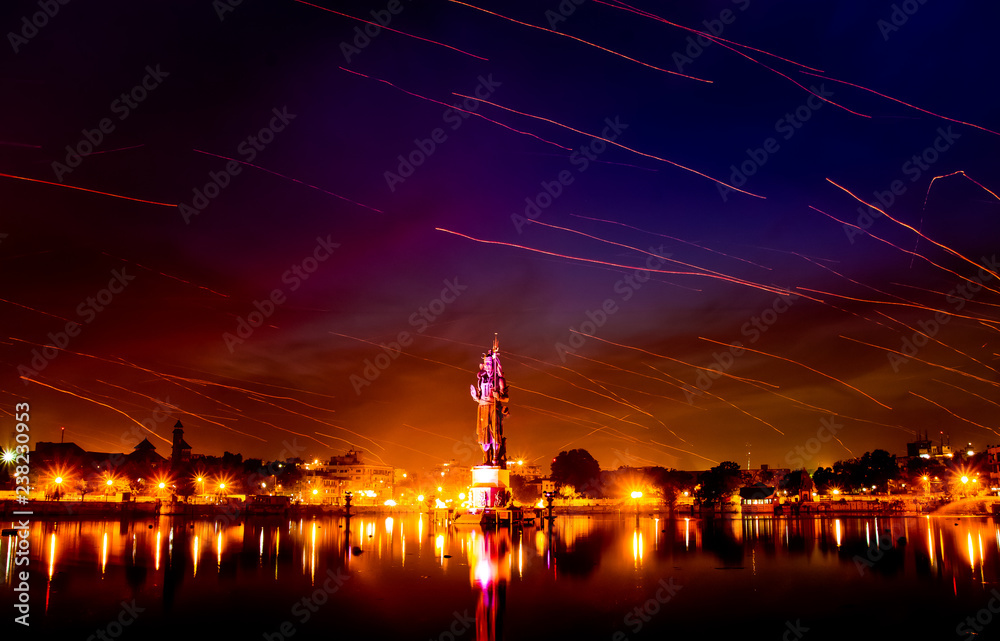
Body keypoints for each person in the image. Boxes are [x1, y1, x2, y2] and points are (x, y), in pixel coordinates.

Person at [470, 348, 509, 466]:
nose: (487, 366)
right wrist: (476, 397)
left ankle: (495, 459)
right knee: (483, 437)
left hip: (494, 408)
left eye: (489, 364)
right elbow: (480, 395)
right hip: (482, 409)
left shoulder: (499, 379)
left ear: (494, 365)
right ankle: (486, 460)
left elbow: (506, 398)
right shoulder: (481, 379)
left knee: (495, 435)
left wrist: (499, 397)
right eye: (486, 363)